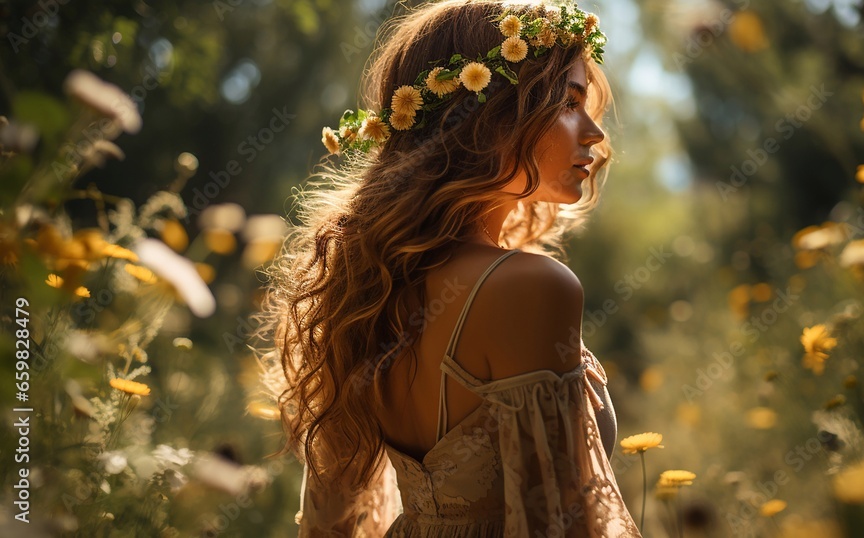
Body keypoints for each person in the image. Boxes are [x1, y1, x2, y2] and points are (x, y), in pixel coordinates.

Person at [255, 0, 642, 535]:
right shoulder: (531, 287)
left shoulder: (371, 286)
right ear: (492, 113)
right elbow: (562, 523)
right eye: (569, 103)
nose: (595, 134)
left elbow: (328, 519)